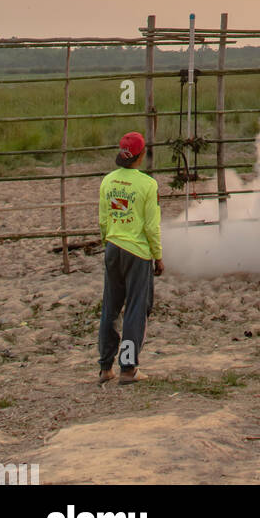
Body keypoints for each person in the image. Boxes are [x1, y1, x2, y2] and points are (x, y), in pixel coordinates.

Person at [98, 131, 163, 384]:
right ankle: (128, 368)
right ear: (141, 155)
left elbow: (104, 220)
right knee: (136, 309)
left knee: (111, 307)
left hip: (113, 246)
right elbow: (151, 227)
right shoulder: (147, 185)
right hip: (138, 253)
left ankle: (105, 367)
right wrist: (158, 256)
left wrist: (110, 241)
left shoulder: (108, 181)